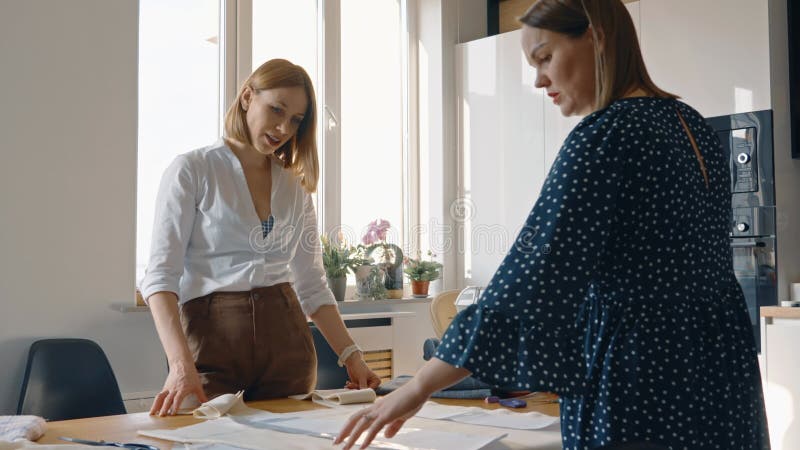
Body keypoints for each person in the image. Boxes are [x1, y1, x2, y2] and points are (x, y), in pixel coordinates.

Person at [335, 1, 770, 449]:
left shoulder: (605, 135)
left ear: (597, 36)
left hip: (642, 380)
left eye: (544, 57)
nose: (538, 79)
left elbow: (529, 286)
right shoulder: (691, 125)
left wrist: (416, 387)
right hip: (721, 373)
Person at [140, 58, 380, 417]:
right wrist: (179, 365)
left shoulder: (295, 185)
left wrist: (352, 356)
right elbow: (159, 279)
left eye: (296, 119)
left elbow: (312, 285)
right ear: (247, 97)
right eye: (277, 109)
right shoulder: (192, 170)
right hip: (209, 349)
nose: (284, 127)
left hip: (289, 352)